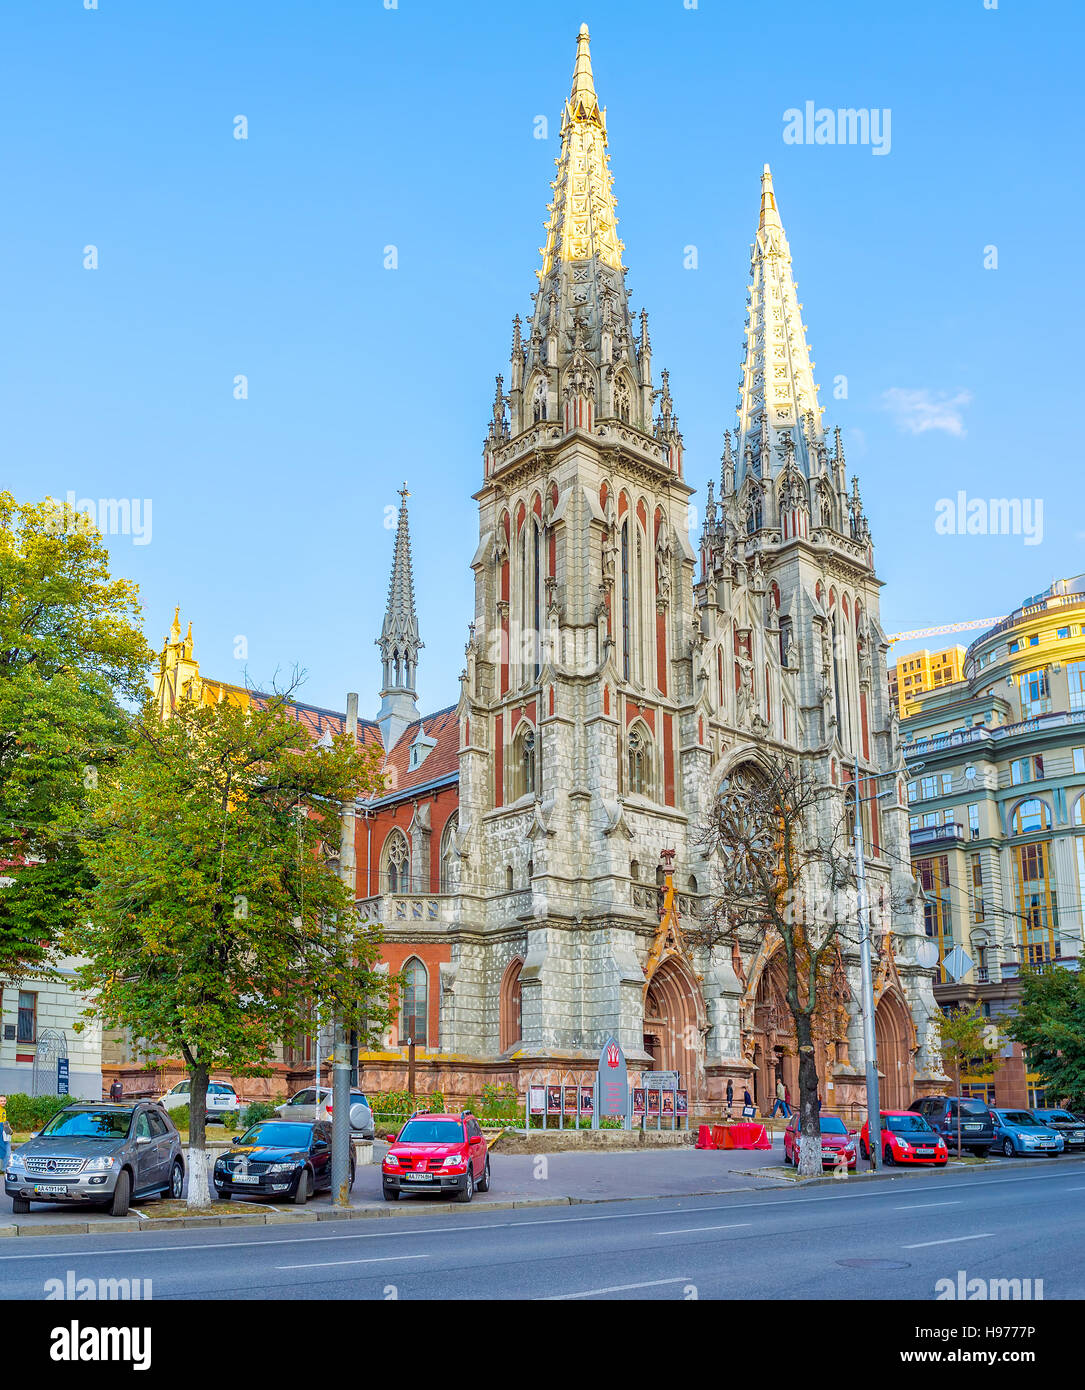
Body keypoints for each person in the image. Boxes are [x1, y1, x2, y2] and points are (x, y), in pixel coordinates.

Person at [0, 1095, 9, 1179]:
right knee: (3, 1148)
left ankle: (4, 1168)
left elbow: (4, 1121)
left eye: (4, 1101)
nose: (3, 1102)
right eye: (1, 1101)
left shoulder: (4, 1110)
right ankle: (3, 1168)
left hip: (3, 1129)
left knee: (6, 1149)